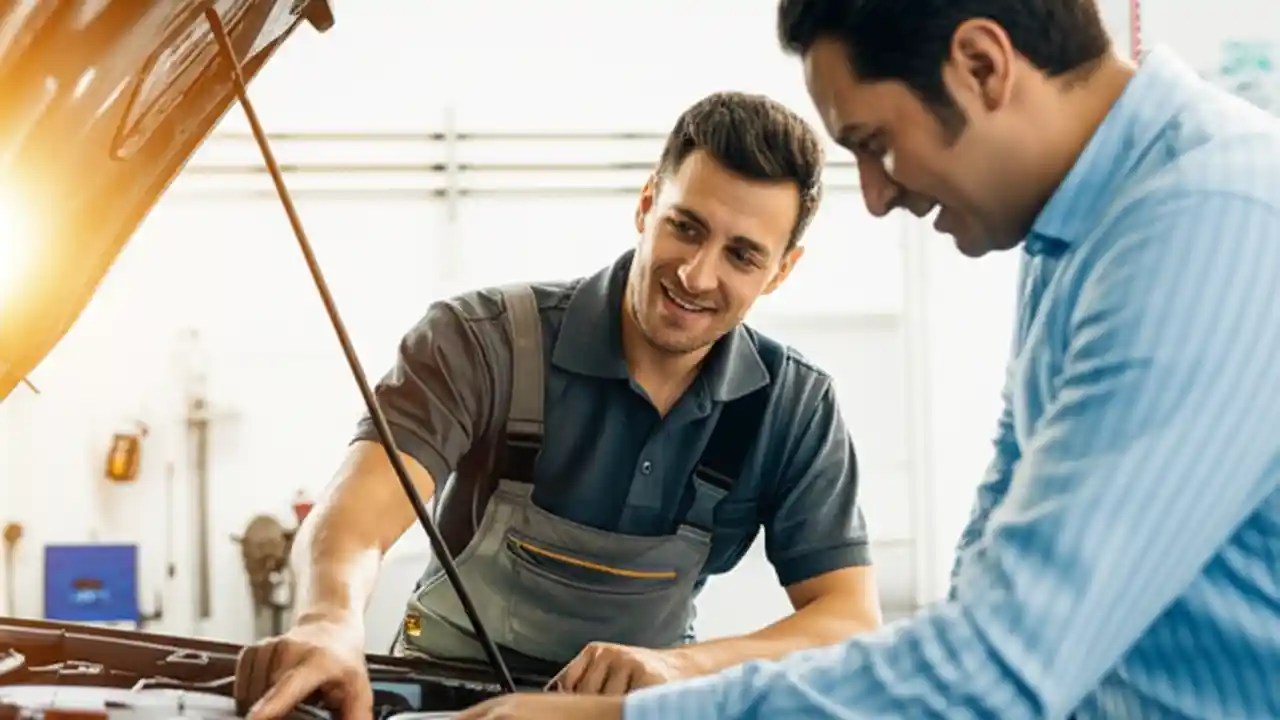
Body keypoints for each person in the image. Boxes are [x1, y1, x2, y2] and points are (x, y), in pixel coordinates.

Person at [457, 1, 1280, 718]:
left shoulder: (1205, 223)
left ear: (982, 66)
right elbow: (979, 599)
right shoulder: (1073, 242)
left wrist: (625, 717)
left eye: (876, 143)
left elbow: (998, 662)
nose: (880, 196)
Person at [234, 90, 884, 720]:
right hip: (447, 704)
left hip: (628, 714)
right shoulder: (481, 340)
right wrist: (328, 620)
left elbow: (848, 617)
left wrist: (681, 667)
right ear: (647, 204)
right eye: (686, 228)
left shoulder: (792, 406)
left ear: (781, 271)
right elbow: (355, 517)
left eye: (742, 255)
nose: (696, 275)